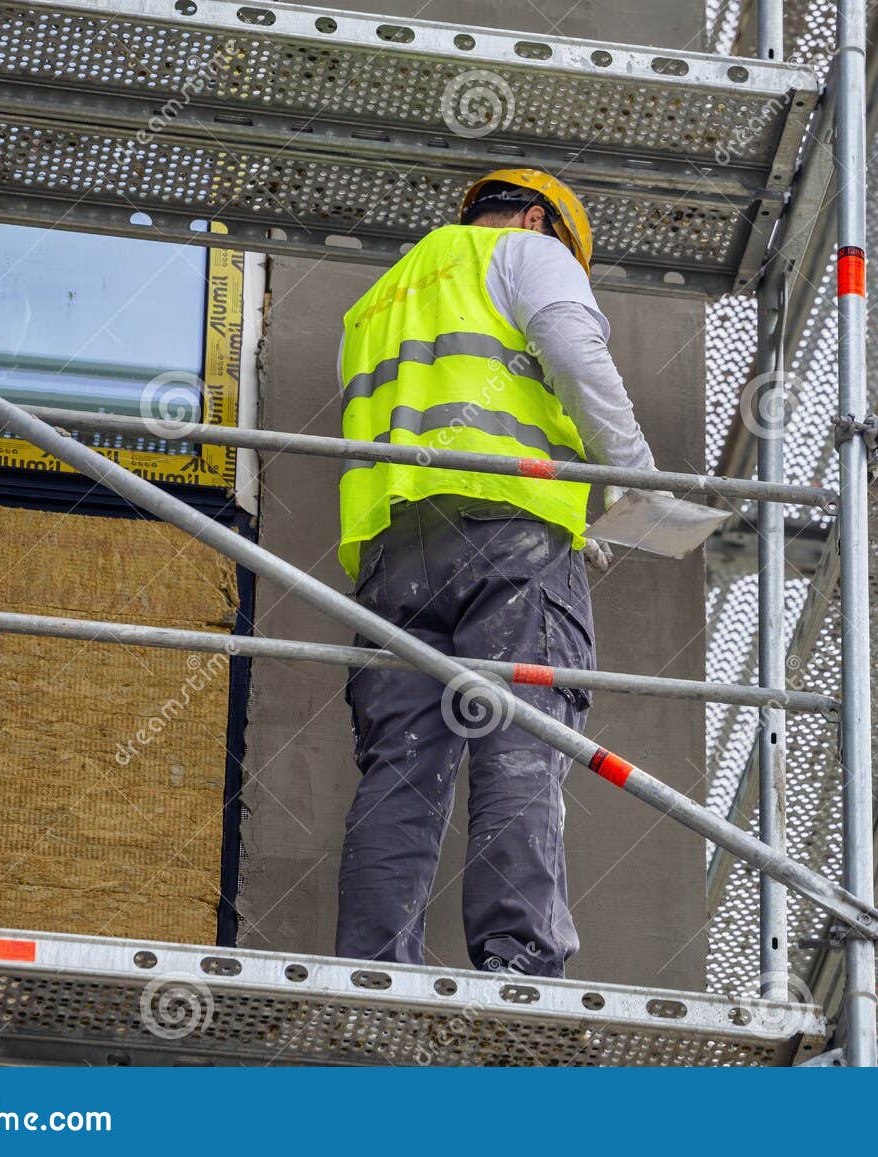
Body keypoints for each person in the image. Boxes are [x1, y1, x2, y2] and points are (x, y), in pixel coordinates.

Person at [334, 168, 655, 976]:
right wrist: (640, 486)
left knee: (401, 768)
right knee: (521, 740)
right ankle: (521, 962)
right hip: (507, 535)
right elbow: (576, 357)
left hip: (394, 556)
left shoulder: (376, 303)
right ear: (539, 220)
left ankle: (374, 970)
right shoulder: (526, 255)